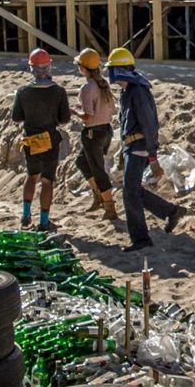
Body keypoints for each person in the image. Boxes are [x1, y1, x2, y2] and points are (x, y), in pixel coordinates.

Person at [106, 47, 184, 251]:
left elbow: (149, 125)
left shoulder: (138, 92)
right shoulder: (127, 91)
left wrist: (152, 156)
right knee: (133, 191)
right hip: (131, 147)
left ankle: (141, 239)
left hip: (139, 148)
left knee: (130, 193)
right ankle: (171, 211)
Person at [11, 48, 71, 230]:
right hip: (49, 140)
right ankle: (44, 221)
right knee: (47, 181)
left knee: (31, 176)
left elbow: (16, 117)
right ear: (49, 67)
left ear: (32, 68)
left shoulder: (23, 91)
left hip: (31, 139)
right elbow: (64, 119)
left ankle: (25, 215)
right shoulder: (58, 91)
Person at [72, 48, 119, 220]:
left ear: (83, 68)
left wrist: (74, 112)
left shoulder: (87, 88)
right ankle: (98, 196)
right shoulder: (102, 84)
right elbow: (107, 108)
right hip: (105, 130)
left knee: (98, 170)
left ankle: (109, 206)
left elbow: (88, 116)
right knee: (82, 161)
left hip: (93, 132)